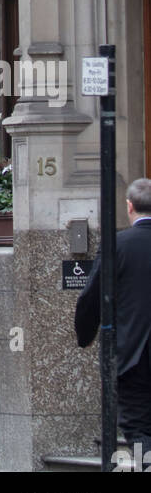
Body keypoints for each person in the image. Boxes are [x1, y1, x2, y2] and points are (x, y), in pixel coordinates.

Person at [75, 177, 151, 466]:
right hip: (133, 354)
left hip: (133, 356)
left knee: (139, 428)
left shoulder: (117, 245)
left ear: (129, 206)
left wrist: (85, 335)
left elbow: (91, 297)